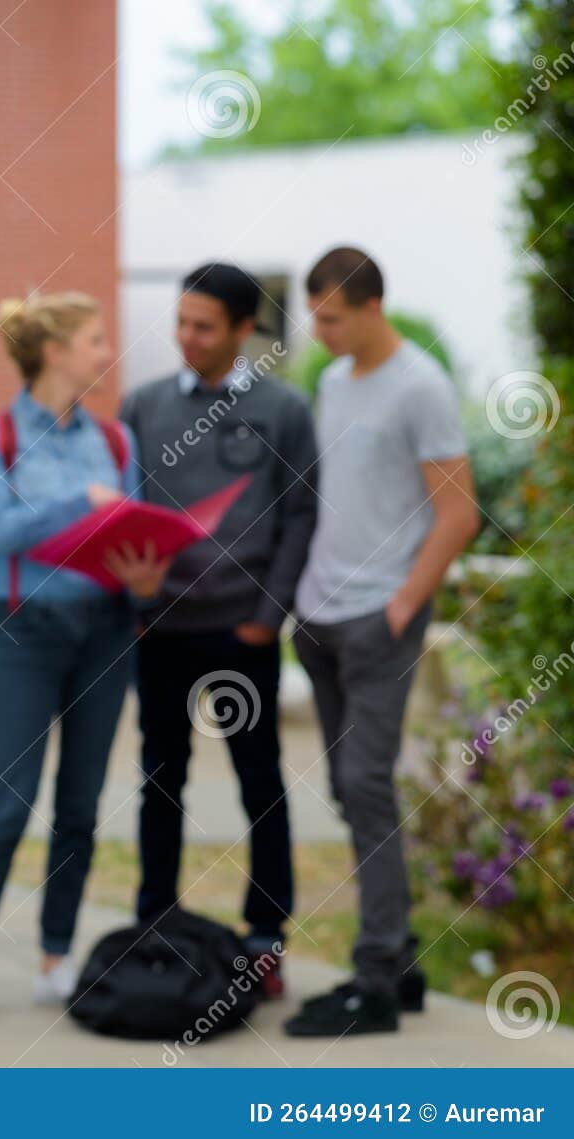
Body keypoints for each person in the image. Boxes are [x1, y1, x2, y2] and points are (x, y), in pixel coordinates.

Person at [0, 292, 168, 1019]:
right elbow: (2, 529)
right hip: (27, 632)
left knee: (81, 806)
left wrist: (146, 571)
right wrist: (84, 503)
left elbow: (131, 527)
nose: (106, 353)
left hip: (106, 629)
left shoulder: (116, 440)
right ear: (55, 351)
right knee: (12, 801)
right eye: (95, 339)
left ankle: (56, 958)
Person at [286, 246, 479, 1037]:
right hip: (319, 616)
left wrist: (403, 606)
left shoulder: (422, 387)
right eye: (314, 314)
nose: (318, 329)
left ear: (371, 307)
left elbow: (459, 511)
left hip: (378, 622)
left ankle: (373, 978)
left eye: (330, 316)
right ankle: (397, 967)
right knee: (348, 787)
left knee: (365, 786)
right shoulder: (332, 382)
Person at [118, 262, 318, 999]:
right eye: (181, 322)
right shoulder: (140, 408)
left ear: (243, 330)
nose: (187, 338)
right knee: (158, 783)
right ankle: (153, 923)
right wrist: (136, 606)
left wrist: (267, 624)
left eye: (204, 327)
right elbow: (121, 513)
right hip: (161, 633)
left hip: (243, 636)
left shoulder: (284, 411)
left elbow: (301, 517)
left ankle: (267, 939)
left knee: (259, 783)